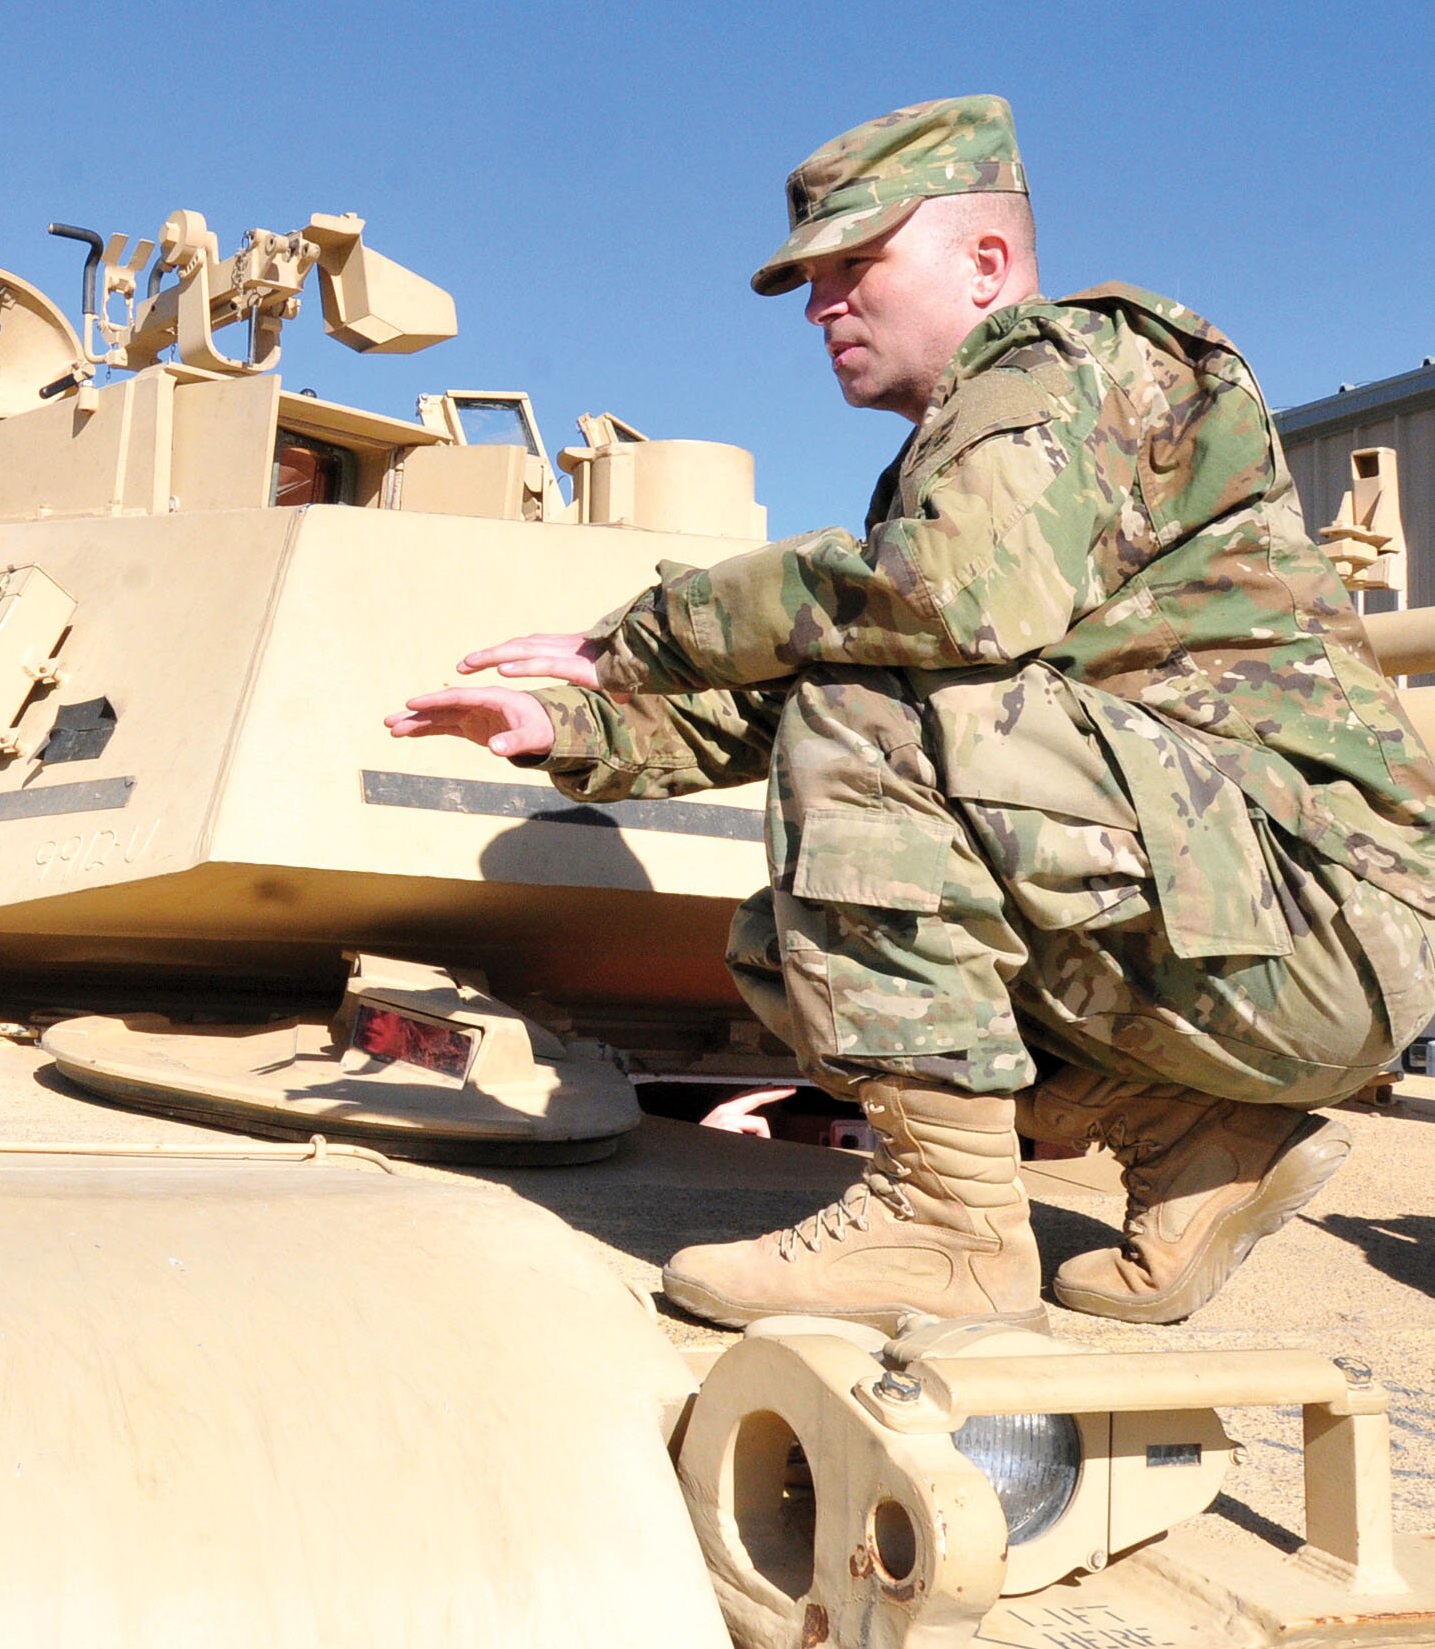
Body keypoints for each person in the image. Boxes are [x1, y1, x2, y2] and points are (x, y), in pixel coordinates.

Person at [389, 96, 1435, 1331]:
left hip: (1321, 904)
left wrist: (647, 634)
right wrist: (576, 731)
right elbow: (833, 692)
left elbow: (936, 610)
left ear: (986, 262)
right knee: (790, 938)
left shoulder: (1072, 363)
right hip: (1249, 924)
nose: (824, 307)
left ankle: (942, 1229)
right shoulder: (968, 455)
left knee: (866, 733)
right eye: (811, 283)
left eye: (853, 267)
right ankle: (1199, 1141)